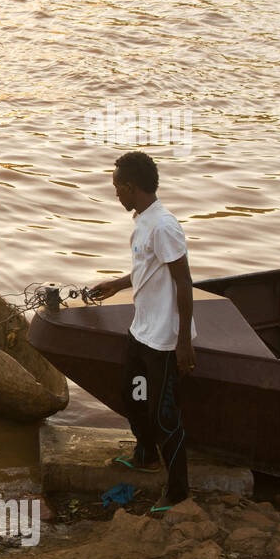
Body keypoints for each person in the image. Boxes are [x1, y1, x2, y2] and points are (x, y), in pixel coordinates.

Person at [89, 150, 196, 512]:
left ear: (131, 187)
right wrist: (118, 284)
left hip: (165, 340)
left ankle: (179, 491)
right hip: (142, 330)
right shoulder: (144, 221)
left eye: (118, 188)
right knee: (131, 396)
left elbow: (183, 283)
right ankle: (146, 455)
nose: (115, 194)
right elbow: (148, 269)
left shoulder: (164, 225)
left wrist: (183, 343)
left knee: (165, 416)